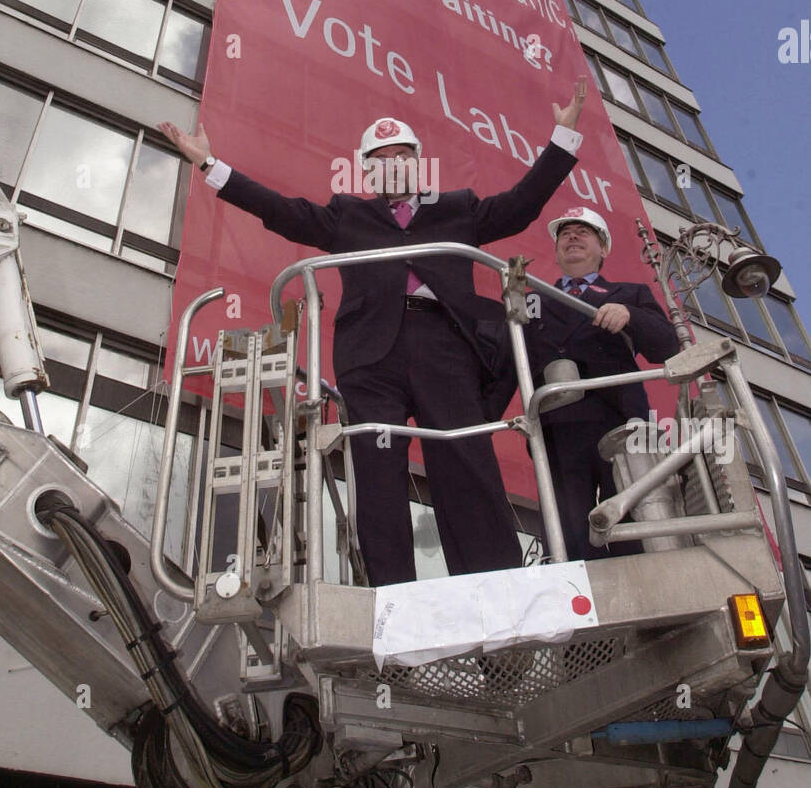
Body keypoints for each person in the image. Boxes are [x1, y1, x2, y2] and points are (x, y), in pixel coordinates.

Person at [158, 79, 587, 586]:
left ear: (419, 162)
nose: (393, 164)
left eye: (403, 154)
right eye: (381, 158)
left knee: (464, 462)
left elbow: (521, 204)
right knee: (377, 471)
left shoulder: (457, 207)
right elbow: (280, 211)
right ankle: (391, 599)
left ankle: (495, 591)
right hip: (371, 357)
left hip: (445, 347)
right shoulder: (348, 214)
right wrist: (210, 165)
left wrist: (562, 140)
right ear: (368, 169)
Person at [485, 205, 678, 561]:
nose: (572, 236)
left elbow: (667, 346)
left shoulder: (628, 294)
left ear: (603, 249)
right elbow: (506, 369)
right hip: (558, 430)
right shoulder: (530, 299)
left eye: (583, 231)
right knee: (568, 531)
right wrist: (482, 426)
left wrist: (631, 317)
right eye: (565, 233)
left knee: (630, 521)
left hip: (619, 422)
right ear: (557, 250)